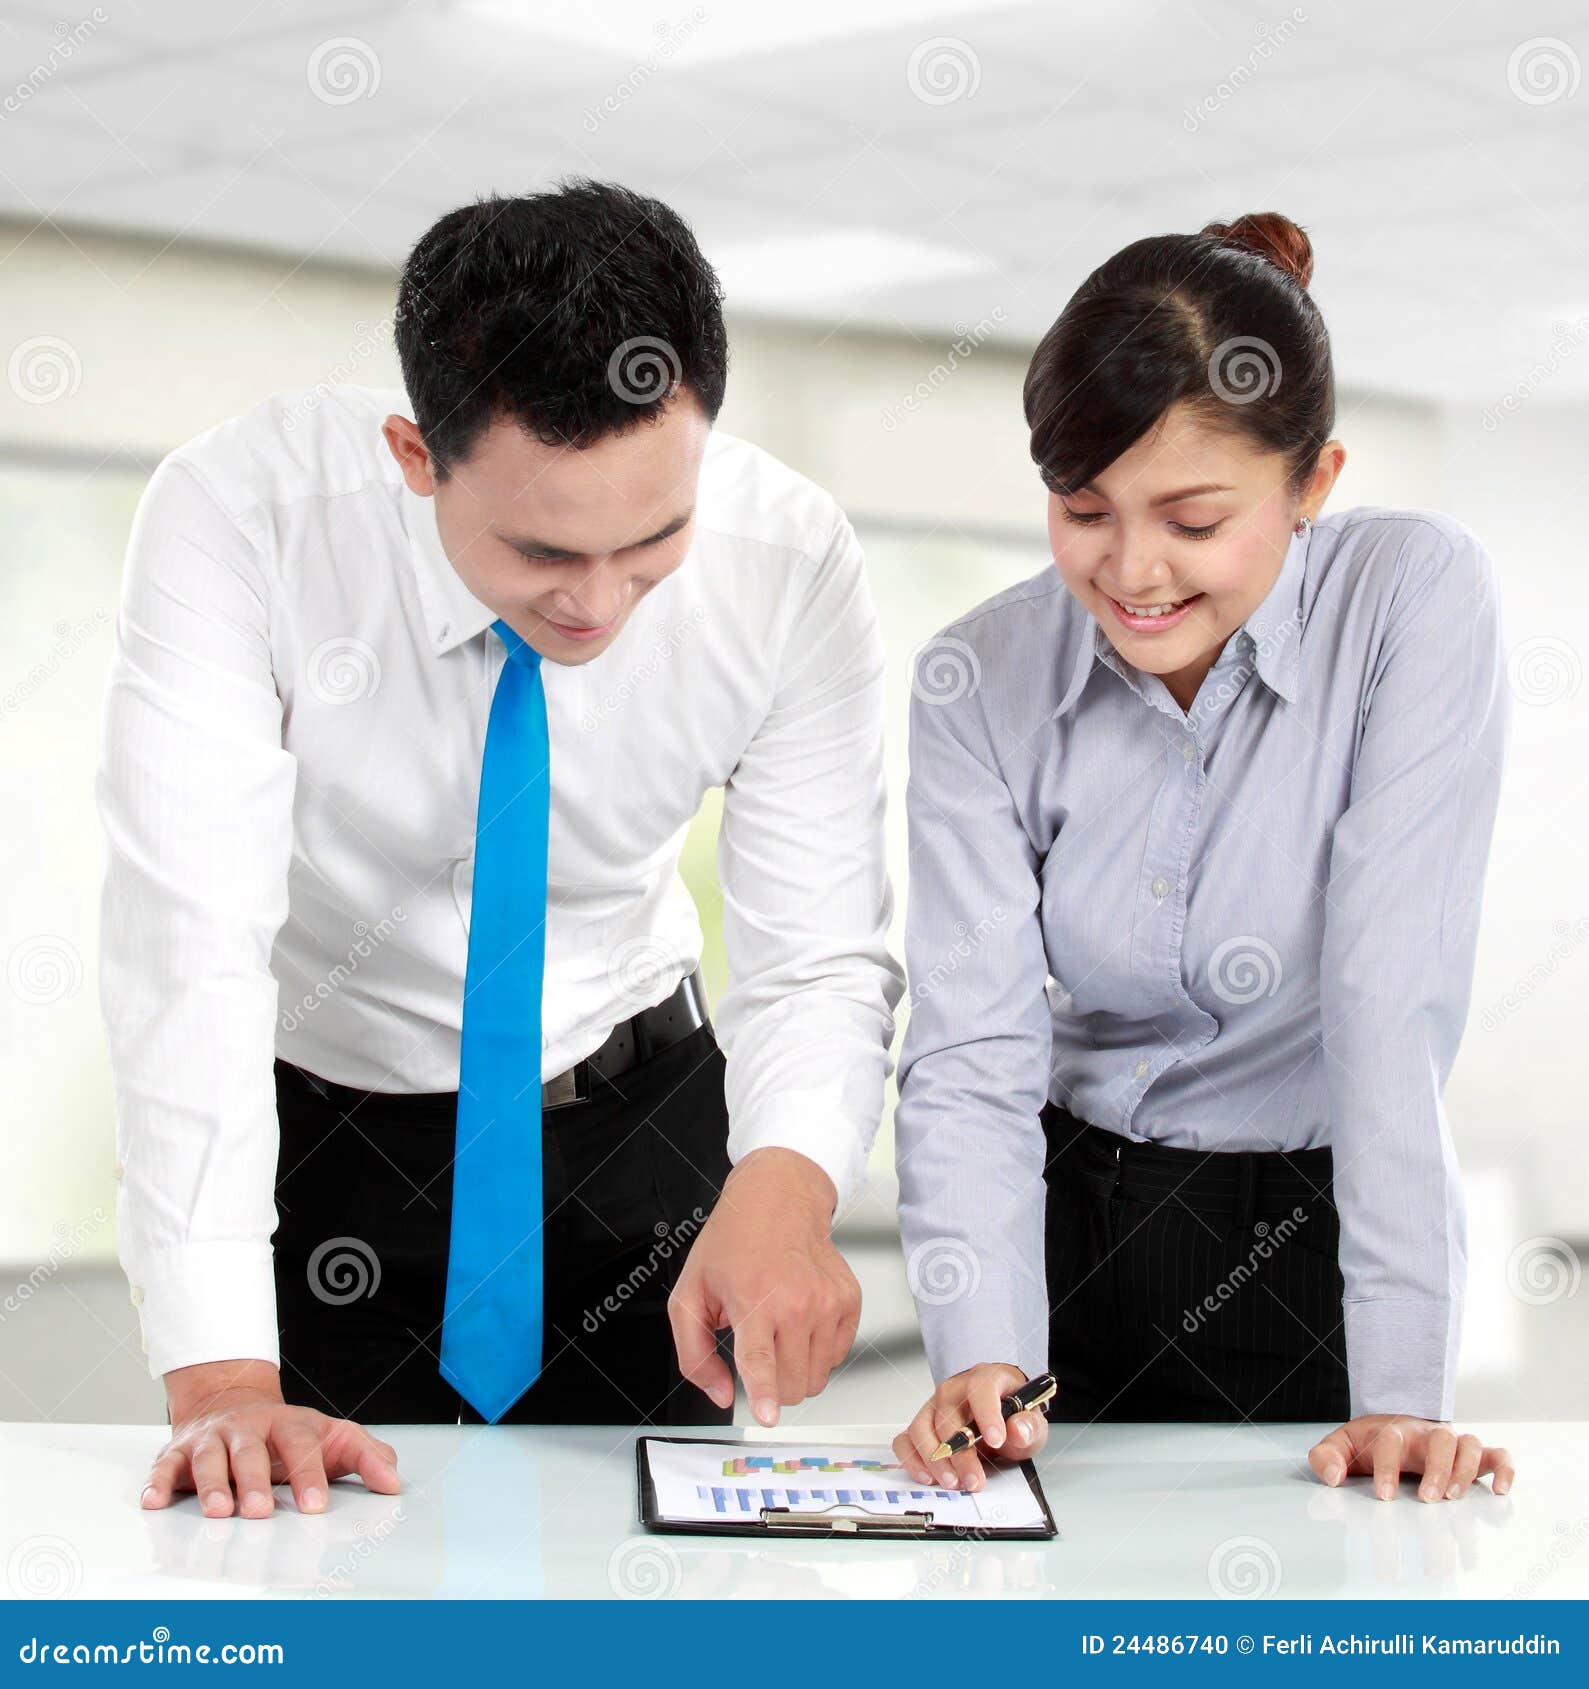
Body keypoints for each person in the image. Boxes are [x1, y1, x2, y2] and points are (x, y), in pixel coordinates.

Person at [97, 179, 903, 1520]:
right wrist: (224, 1377)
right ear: (417, 457)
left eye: (650, 547)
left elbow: (817, 943)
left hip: (638, 1134)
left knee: (652, 1591)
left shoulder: (788, 558)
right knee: (328, 1573)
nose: (595, 604)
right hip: (332, 1157)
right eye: (541, 552)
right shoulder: (242, 521)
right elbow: (190, 950)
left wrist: (788, 1175)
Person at [891, 212, 1516, 1505]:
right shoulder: (976, 676)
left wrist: (1402, 1390)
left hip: (1299, 1232)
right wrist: (979, 1349)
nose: (1130, 571)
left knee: (1296, 1615)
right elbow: (970, 1046)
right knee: (1047, 1614)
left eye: (1190, 518)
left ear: (1312, 480)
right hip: (1069, 1224)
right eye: (1082, 510)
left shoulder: (1409, 595)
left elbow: (1381, 1000)